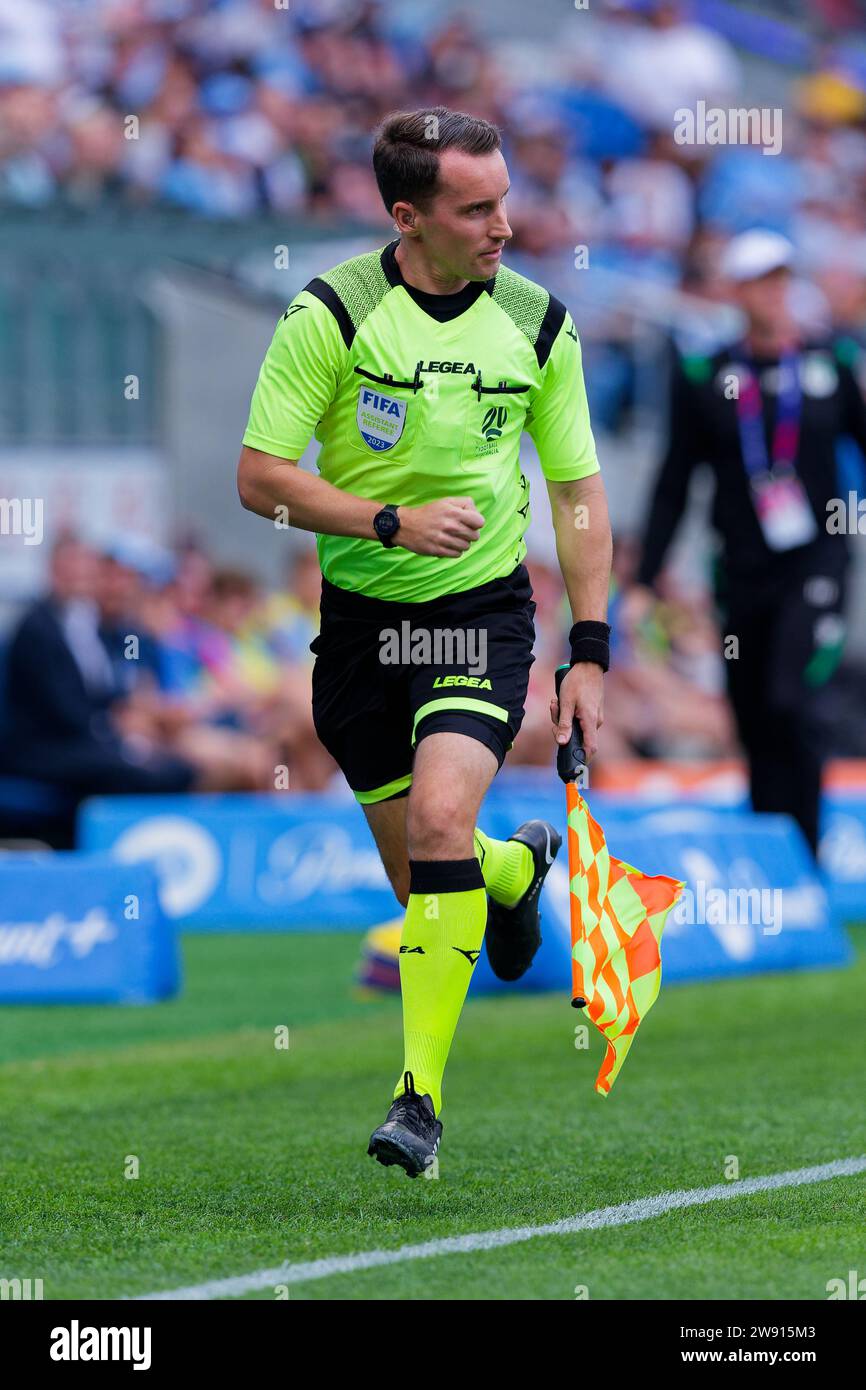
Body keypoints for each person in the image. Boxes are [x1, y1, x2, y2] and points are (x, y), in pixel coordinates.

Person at [238, 106, 612, 1177]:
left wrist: (588, 646)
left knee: (445, 810)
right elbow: (260, 476)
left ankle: (418, 1101)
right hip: (359, 628)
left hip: (478, 616)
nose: (504, 224)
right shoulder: (333, 314)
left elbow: (578, 494)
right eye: (476, 208)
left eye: (504, 199)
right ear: (408, 217)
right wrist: (384, 519)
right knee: (425, 883)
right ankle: (510, 871)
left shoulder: (539, 326)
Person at [633, 229, 866, 855]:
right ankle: (776, 862)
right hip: (739, 567)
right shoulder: (707, 375)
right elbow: (674, 481)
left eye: (782, 278)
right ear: (736, 290)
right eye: (761, 280)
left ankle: (807, 852)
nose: (774, 292)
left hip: (818, 562)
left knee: (795, 699)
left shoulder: (831, 361)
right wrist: (644, 578)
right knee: (754, 711)